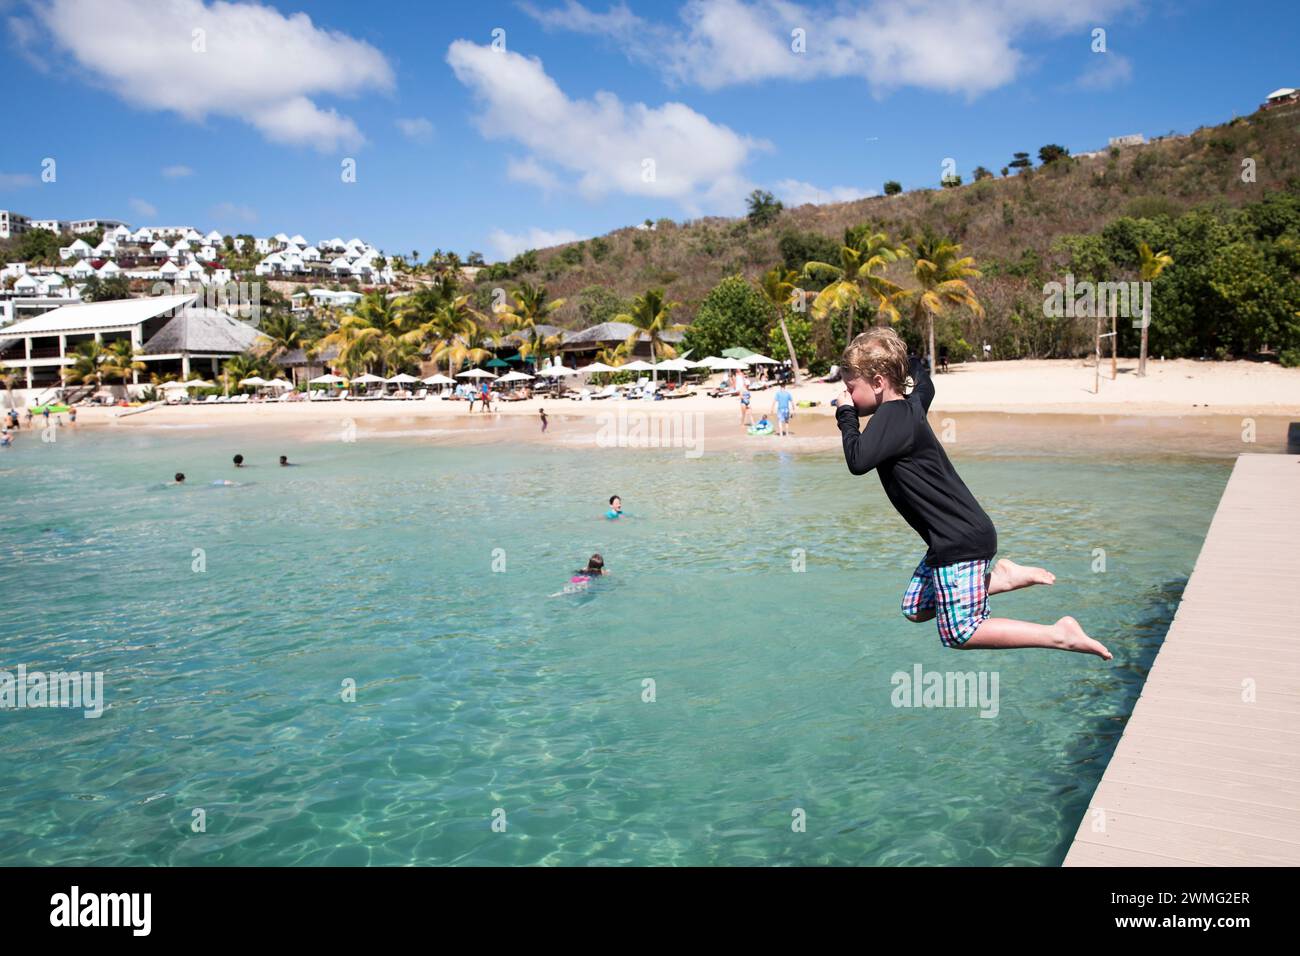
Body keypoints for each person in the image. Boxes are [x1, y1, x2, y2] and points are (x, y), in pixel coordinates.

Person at [835, 327, 1111, 659]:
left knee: (960, 631)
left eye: (851, 388)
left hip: (959, 541)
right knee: (916, 607)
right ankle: (1003, 578)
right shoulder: (911, 406)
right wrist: (903, 358)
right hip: (955, 536)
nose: (848, 395)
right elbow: (926, 382)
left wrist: (845, 414)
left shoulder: (891, 416)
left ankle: (1059, 634)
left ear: (879, 383)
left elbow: (858, 459)